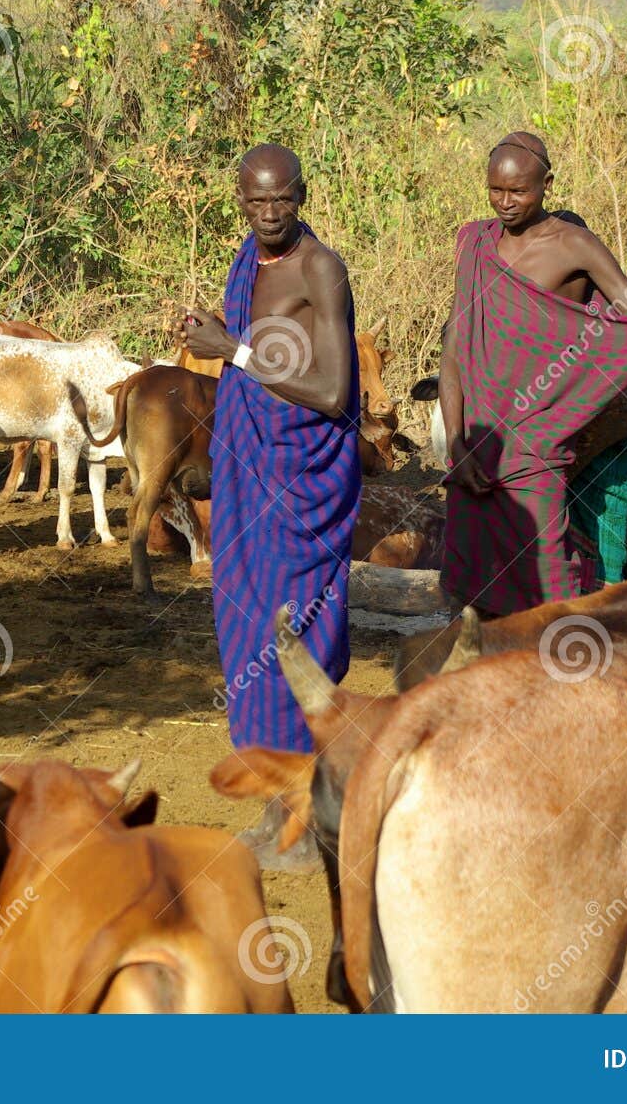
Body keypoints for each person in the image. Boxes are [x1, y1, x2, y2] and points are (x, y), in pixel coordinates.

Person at [439, 132, 627, 615]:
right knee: (476, 587)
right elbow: (456, 347)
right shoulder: (474, 242)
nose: (505, 203)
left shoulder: (574, 245)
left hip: (535, 445)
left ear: (546, 184)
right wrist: (458, 444)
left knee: (547, 584)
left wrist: (577, 402)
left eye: (519, 191)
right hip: (481, 442)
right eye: (496, 190)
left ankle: (563, 680)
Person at [179, 143, 359, 870]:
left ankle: (313, 823)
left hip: (303, 476)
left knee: (296, 633)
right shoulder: (246, 260)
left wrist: (236, 350)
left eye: (282, 199)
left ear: (303, 193)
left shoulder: (321, 267)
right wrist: (216, 341)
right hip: (251, 462)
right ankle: (273, 807)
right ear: (240, 199)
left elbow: (334, 392)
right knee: (249, 627)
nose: (270, 212)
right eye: (256, 201)